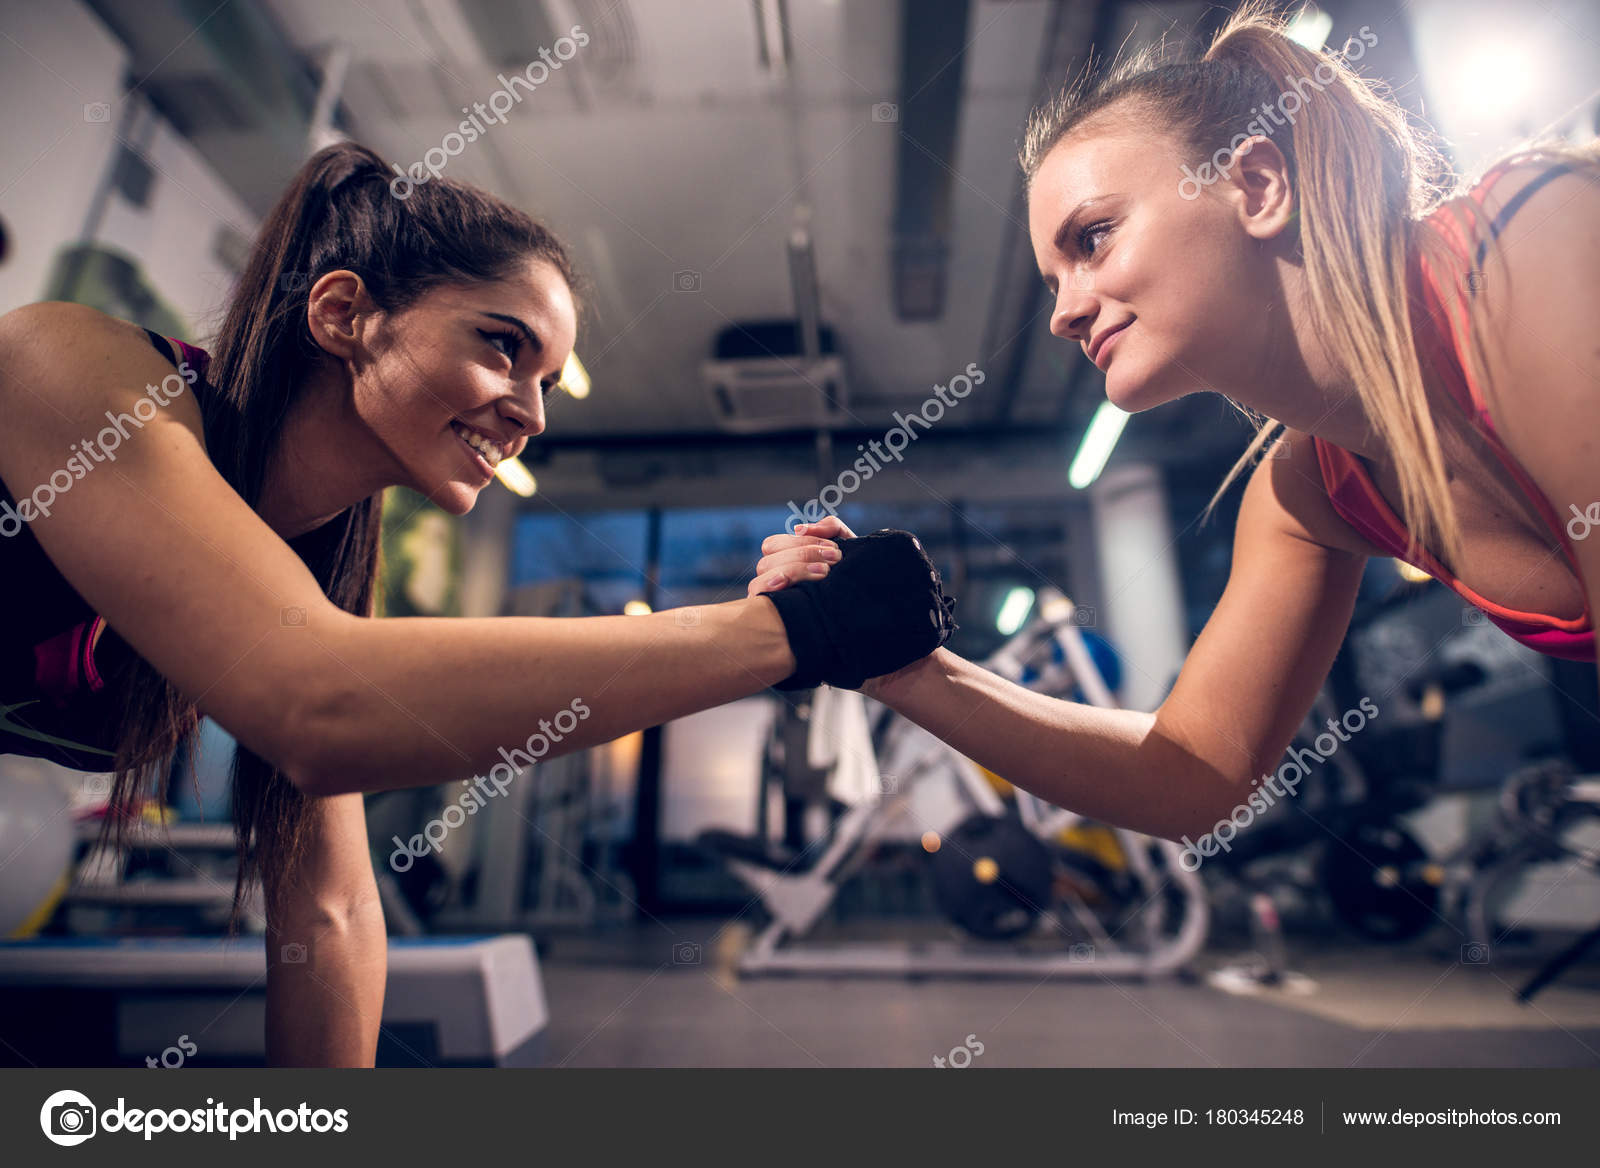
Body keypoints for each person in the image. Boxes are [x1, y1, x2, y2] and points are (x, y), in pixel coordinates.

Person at [0, 141, 953, 1066]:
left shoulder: (319, 571)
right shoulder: (72, 366)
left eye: (547, 383)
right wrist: (791, 631)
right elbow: (319, 706)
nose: (533, 413)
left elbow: (330, 912)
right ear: (343, 314)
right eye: (505, 347)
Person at [754, 7, 1599, 850]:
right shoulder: (1308, 492)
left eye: (1094, 237)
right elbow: (1190, 774)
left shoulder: (1529, 247)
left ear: (1258, 188)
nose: (1063, 314)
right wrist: (903, 666)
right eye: (1051, 281)